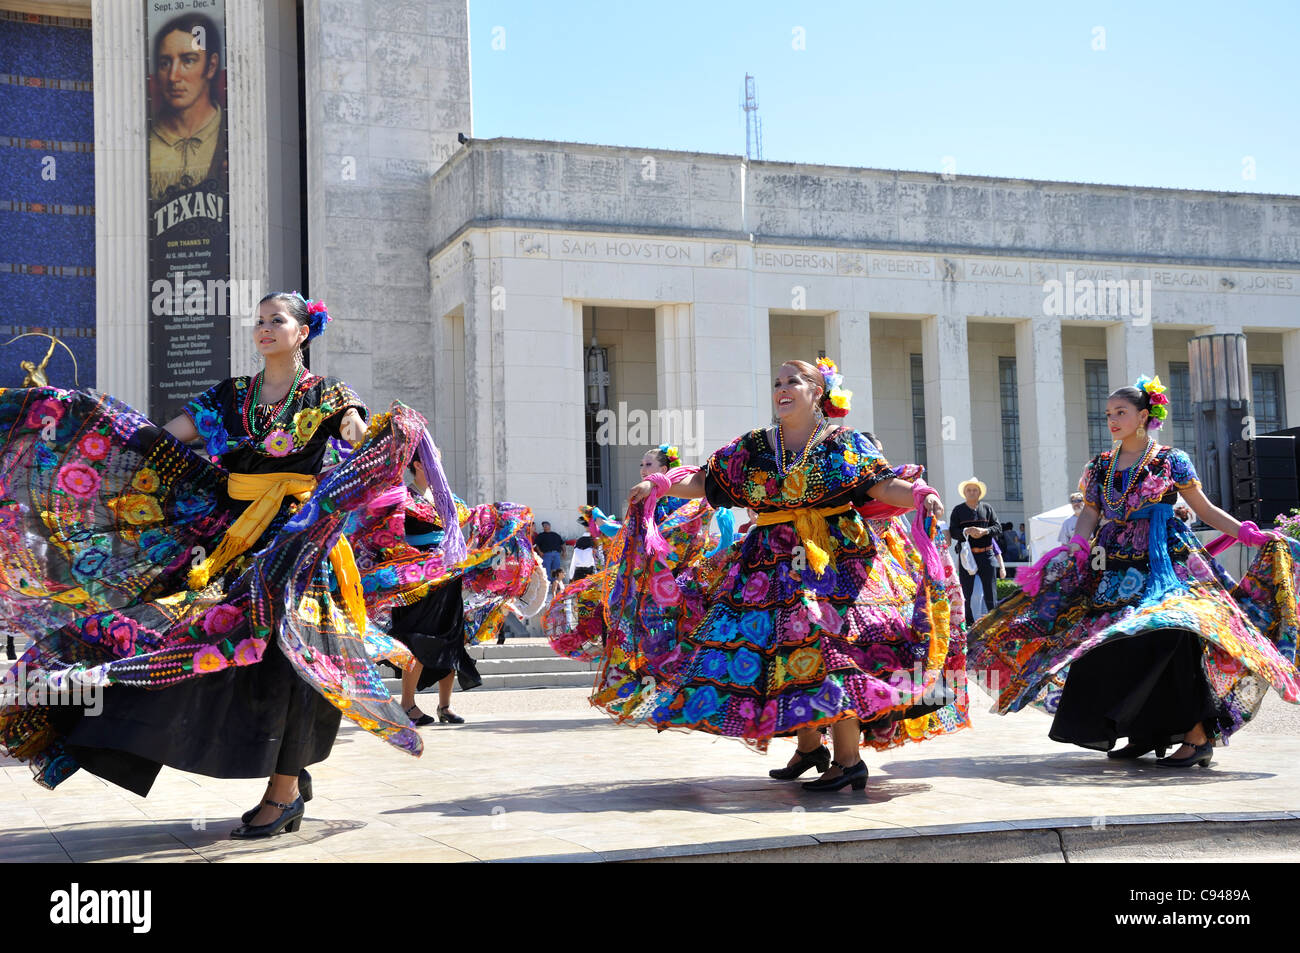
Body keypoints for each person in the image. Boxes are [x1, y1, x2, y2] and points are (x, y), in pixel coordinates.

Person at [0, 292, 453, 840]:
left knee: (294, 657)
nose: (264, 329)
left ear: (303, 331)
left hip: (300, 541)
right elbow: (165, 439)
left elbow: (357, 438)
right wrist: (87, 428)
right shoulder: (231, 395)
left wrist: (385, 434)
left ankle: (283, 792)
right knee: (190, 637)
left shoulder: (330, 395)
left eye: (276, 321)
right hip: (227, 540)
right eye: (259, 321)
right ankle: (280, 770)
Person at [623, 359, 950, 792]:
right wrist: (659, 485)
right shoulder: (756, 446)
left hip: (834, 559)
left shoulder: (843, 443)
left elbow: (881, 485)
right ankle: (811, 748)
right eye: (777, 382)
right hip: (768, 561)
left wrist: (920, 494)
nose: (782, 388)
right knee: (784, 651)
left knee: (831, 648)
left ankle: (849, 760)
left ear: (818, 392)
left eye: (792, 381)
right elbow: (707, 481)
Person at [968, 376, 1300, 767]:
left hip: (1168, 562)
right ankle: (1143, 732)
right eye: (1108, 413)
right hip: (1113, 565)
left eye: (1120, 412)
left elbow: (1205, 509)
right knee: (1112, 642)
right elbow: (1091, 511)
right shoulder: (1099, 466)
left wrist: (1248, 534)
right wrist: (1078, 543)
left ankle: (1196, 736)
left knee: (1174, 635)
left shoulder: (1171, 459)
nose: (1111, 419)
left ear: (1144, 415)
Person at [391, 458, 477, 727]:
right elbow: (390, 537)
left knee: (450, 637)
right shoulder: (402, 496)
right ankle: (407, 704)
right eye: (433, 460)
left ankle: (445, 706)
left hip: (449, 578)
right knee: (416, 639)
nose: (438, 464)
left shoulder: (447, 498)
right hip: (417, 579)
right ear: (417, 464)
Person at [149, 11, 228, 201]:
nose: (174, 76)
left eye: (188, 60)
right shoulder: (147, 138)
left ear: (211, 66)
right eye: (165, 63)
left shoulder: (229, 132)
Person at [950, 477, 1000, 626]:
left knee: (990, 591)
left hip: (987, 553)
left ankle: (993, 623)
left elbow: (998, 528)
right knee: (966, 591)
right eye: (969, 490)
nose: (972, 492)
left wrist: (984, 531)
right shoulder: (958, 510)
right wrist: (967, 531)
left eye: (975, 490)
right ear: (964, 493)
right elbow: (953, 531)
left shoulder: (988, 508)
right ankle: (968, 623)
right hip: (967, 555)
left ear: (979, 493)